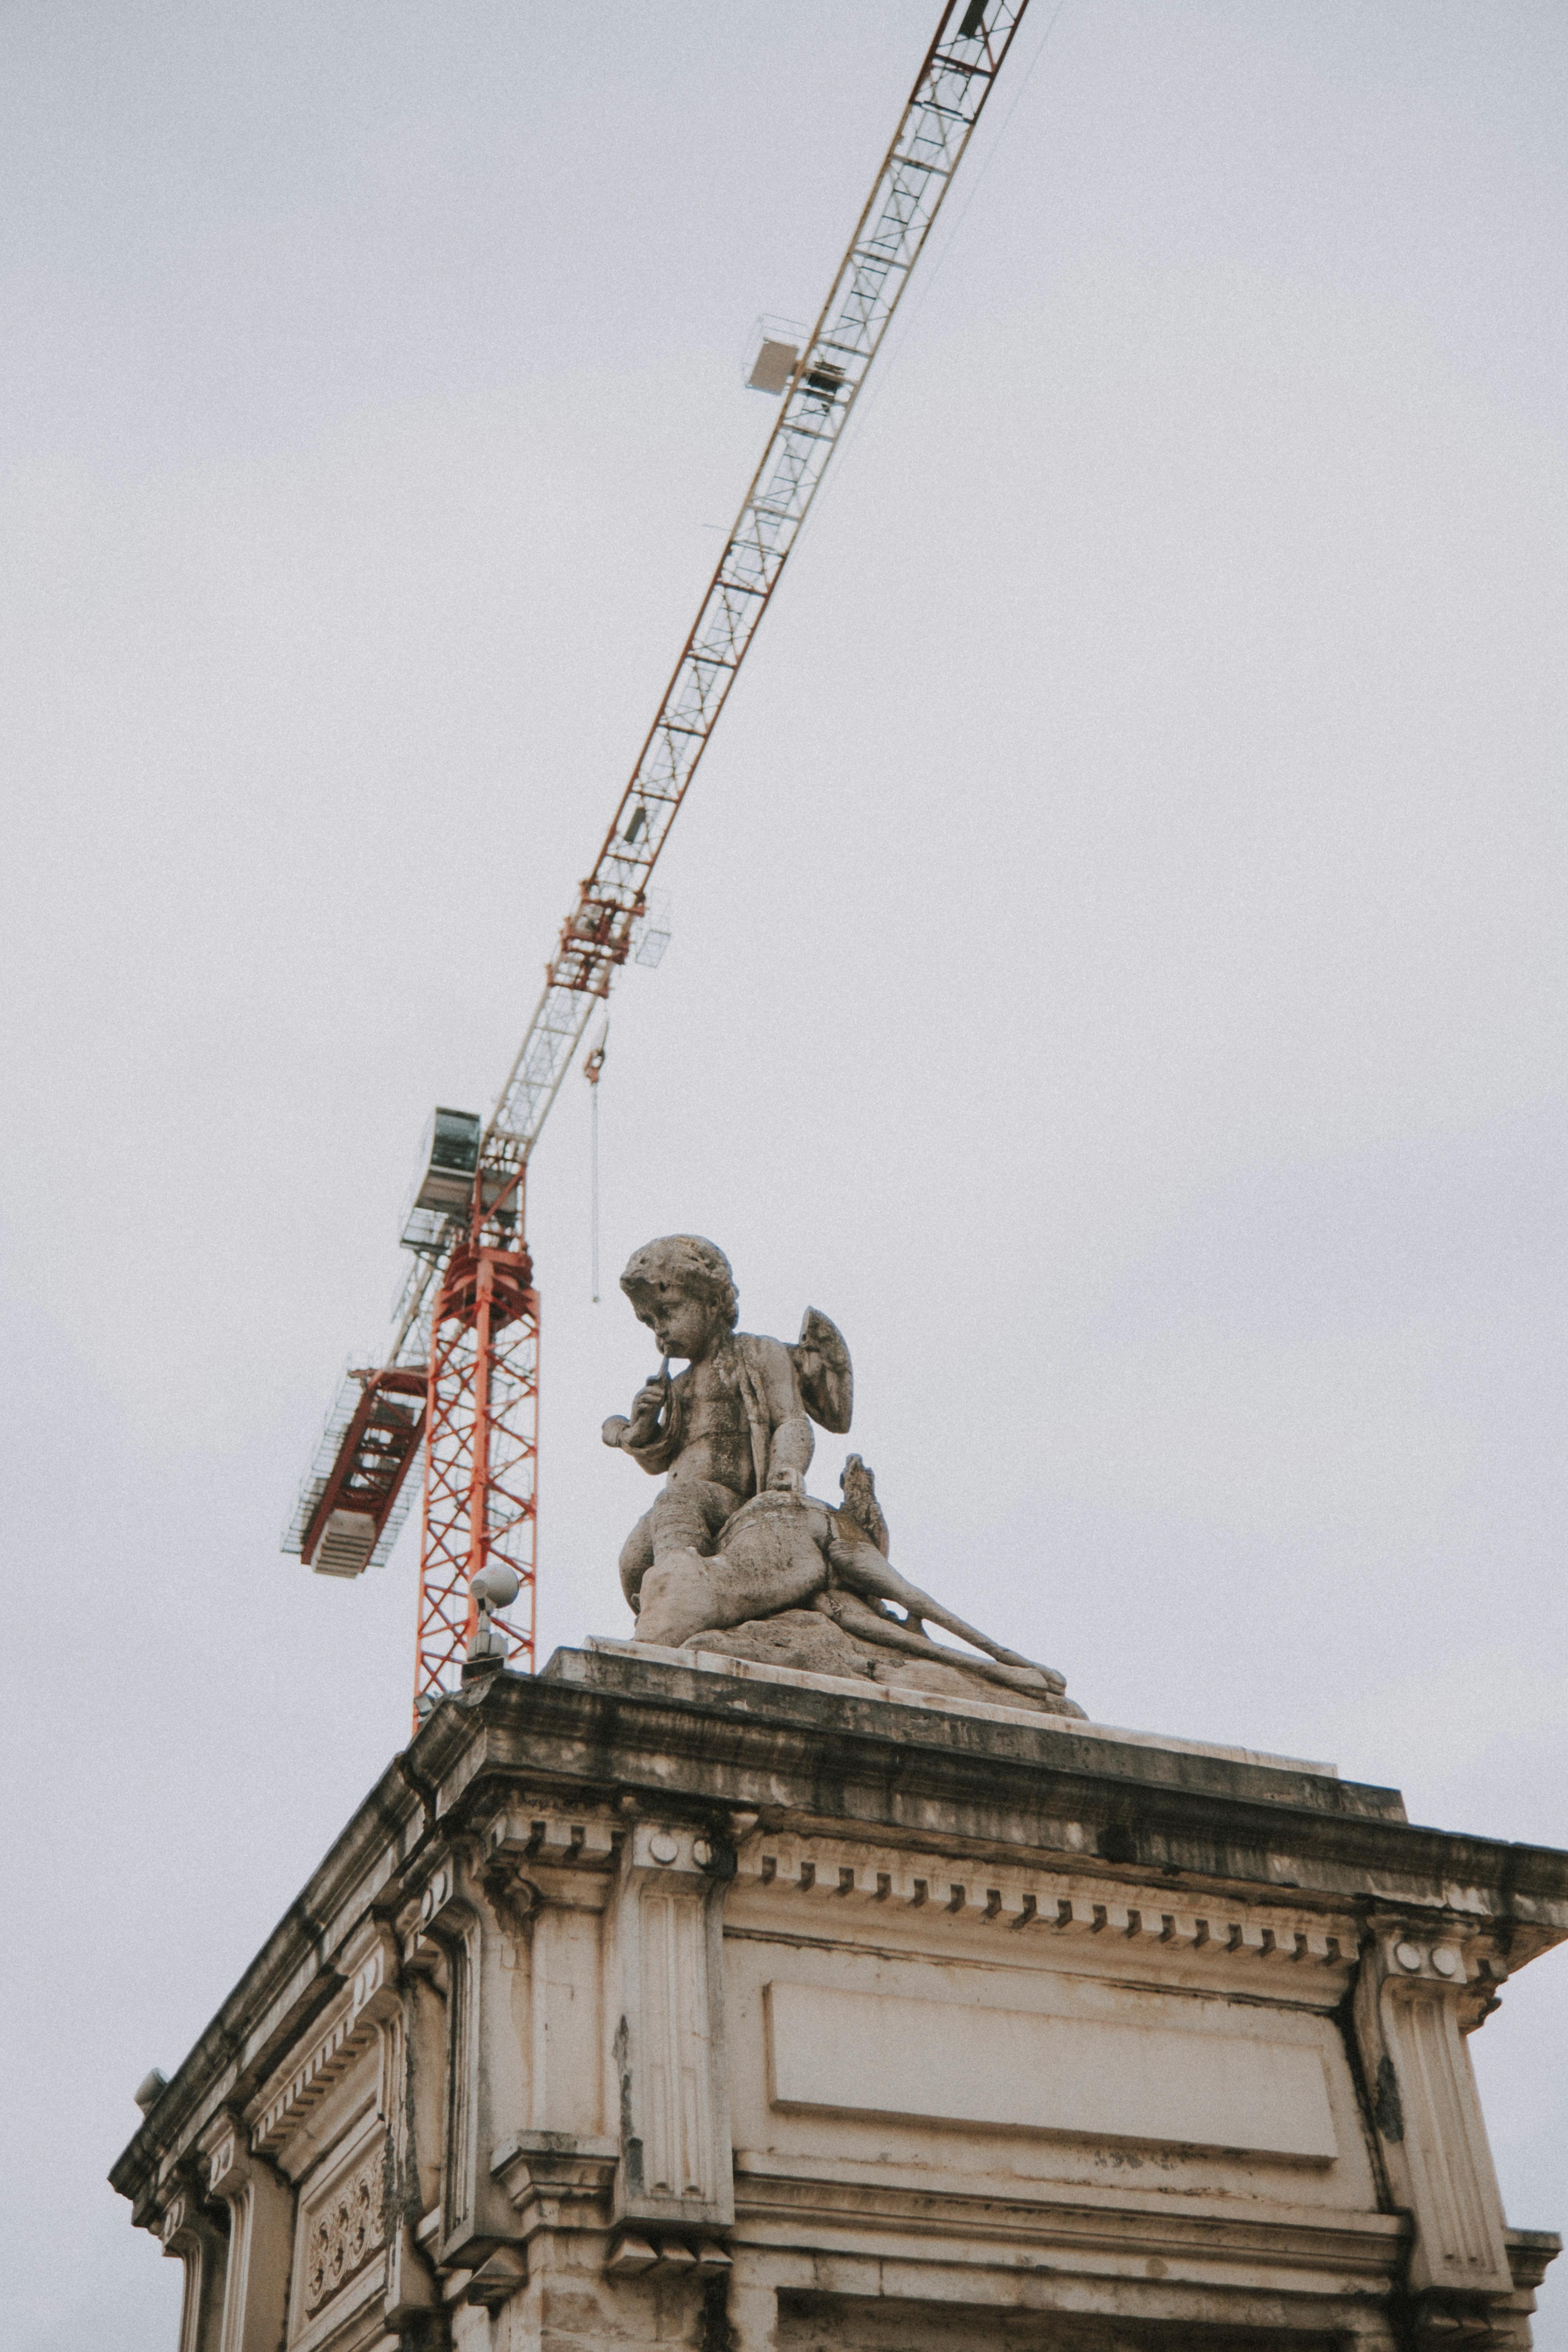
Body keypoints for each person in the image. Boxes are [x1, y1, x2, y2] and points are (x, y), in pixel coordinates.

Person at [602, 1235, 828, 1610]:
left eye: (669, 1311)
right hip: (683, 1502)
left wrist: (787, 1468)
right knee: (632, 1562)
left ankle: (682, 1594)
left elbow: (790, 1419)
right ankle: (670, 1608)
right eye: (651, 1321)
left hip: (732, 1500)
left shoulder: (758, 1351)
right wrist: (642, 1429)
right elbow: (658, 1460)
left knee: (678, 1504)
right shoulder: (677, 1385)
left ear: (711, 1301)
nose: (660, 1329)